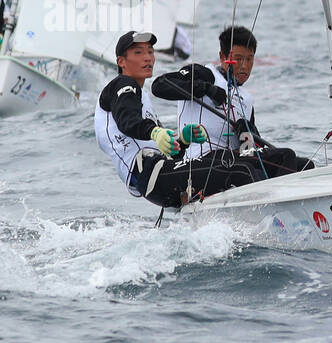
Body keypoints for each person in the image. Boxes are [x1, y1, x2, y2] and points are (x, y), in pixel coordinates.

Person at [94, 30, 262, 210]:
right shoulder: (124, 85)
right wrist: (155, 132)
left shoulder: (141, 97)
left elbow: (166, 151)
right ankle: (265, 210)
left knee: (239, 165)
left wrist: (182, 141)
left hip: (159, 175)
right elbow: (127, 121)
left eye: (150, 51)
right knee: (240, 169)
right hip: (151, 175)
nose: (148, 58)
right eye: (139, 52)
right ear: (121, 61)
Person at [151, 24, 314, 177]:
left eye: (250, 59)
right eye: (238, 58)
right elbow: (160, 85)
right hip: (202, 160)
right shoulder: (204, 74)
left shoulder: (247, 100)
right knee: (286, 155)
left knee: (305, 165)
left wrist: (247, 133)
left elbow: (248, 149)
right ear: (222, 57)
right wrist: (207, 89)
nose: (244, 66)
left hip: (233, 161)